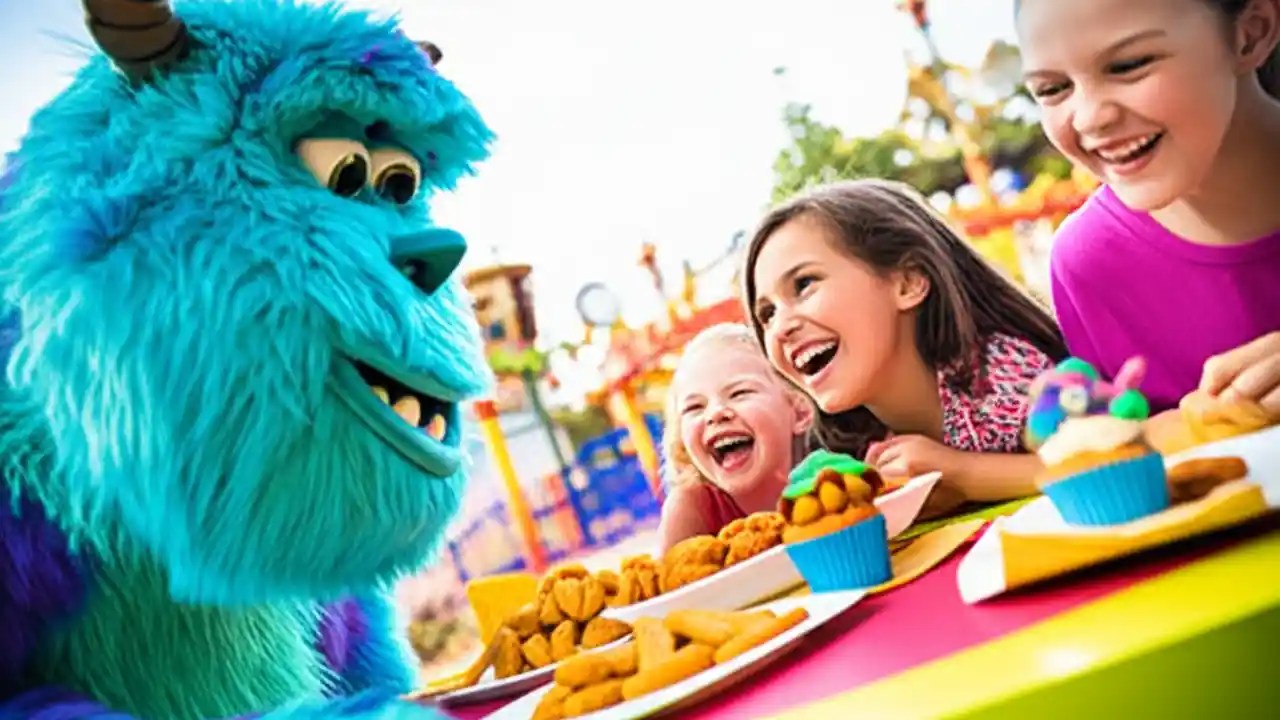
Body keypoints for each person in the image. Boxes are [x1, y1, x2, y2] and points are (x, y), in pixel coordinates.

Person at [1017, 0, 1280, 416]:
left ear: (1251, 34)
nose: (1089, 118)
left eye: (1129, 64)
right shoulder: (1089, 263)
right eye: (1052, 89)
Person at [743, 179, 1069, 505]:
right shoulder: (848, 445)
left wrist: (962, 474)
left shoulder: (1000, 376)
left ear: (907, 283)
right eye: (768, 313)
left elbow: (1095, 459)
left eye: (804, 284)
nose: (780, 327)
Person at [657, 323, 814, 552]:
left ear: (799, 411)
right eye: (694, 408)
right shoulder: (694, 510)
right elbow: (667, 583)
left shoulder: (839, 475)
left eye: (739, 393)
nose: (715, 413)